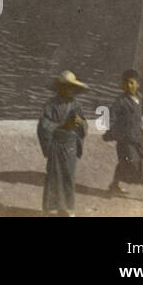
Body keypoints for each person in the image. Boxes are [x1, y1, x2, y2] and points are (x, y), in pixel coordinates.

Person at [37, 70, 89, 215]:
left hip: (71, 144)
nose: (68, 90)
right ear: (59, 88)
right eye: (65, 87)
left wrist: (80, 123)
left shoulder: (76, 105)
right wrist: (62, 126)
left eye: (71, 87)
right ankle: (49, 208)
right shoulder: (51, 104)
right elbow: (44, 124)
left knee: (68, 176)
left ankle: (67, 208)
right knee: (53, 176)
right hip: (56, 143)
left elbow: (83, 123)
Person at [106, 70, 143, 204]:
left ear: (138, 84)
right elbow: (111, 117)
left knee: (126, 162)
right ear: (122, 85)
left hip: (137, 137)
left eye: (132, 82)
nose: (129, 85)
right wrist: (110, 131)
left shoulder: (140, 99)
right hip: (124, 139)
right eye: (126, 83)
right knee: (137, 163)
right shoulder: (120, 101)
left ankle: (114, 185)